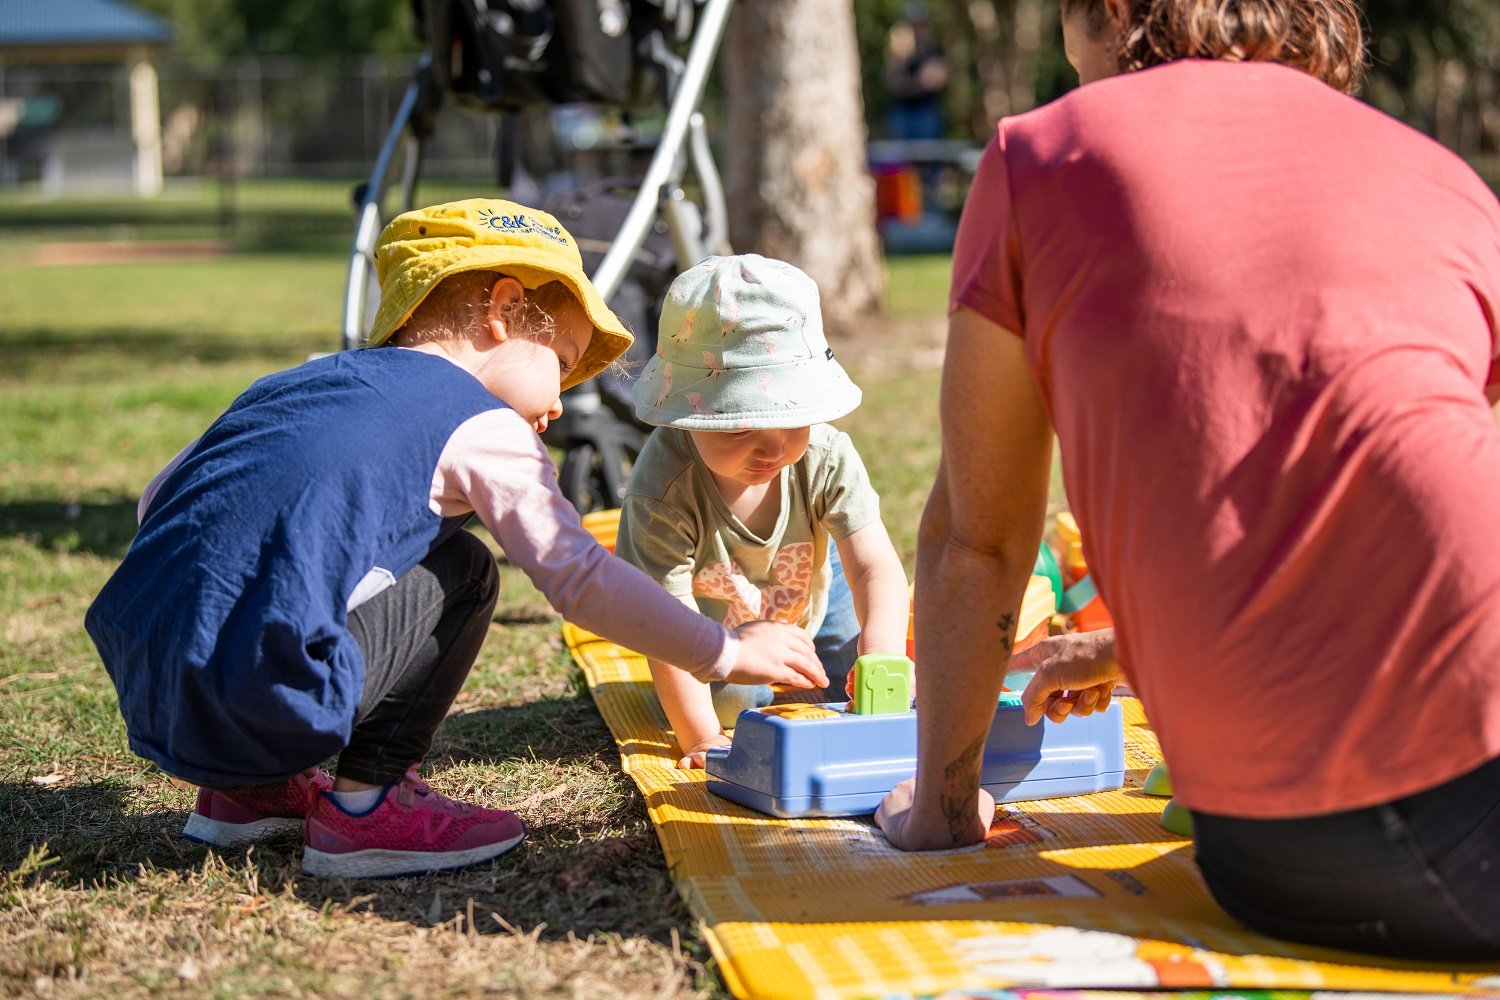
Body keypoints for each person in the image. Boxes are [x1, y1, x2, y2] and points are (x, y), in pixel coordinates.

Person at [875, 0, 1500, 962]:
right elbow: (1391, 496)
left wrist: (942, 813)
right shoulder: (1443, 178)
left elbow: (983, 540)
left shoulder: (1040, 156)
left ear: (1115, 11)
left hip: (1302, 853)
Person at [84, 200, 826, 879]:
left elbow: (161, 500)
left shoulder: (295, 384)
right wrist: (726, 650)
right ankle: (364, 812)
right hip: (262, 701)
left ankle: (247, 795)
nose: (559, 407)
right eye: (562, 366)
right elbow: (579, 578)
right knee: (465, 569)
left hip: (151, 689)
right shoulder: (480, 423)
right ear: (503, 310)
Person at [614, 254, 910, 768]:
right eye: (739, 427)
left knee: (851, 685)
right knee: (732, 707)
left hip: (818, 592)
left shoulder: (825, 454)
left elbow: (874, 566)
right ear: (687, 414)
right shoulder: (663, 490)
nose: (771, 450)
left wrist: (882, 658)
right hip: (710, 629)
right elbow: (661, 624)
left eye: (792, 422)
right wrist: (701, 736)